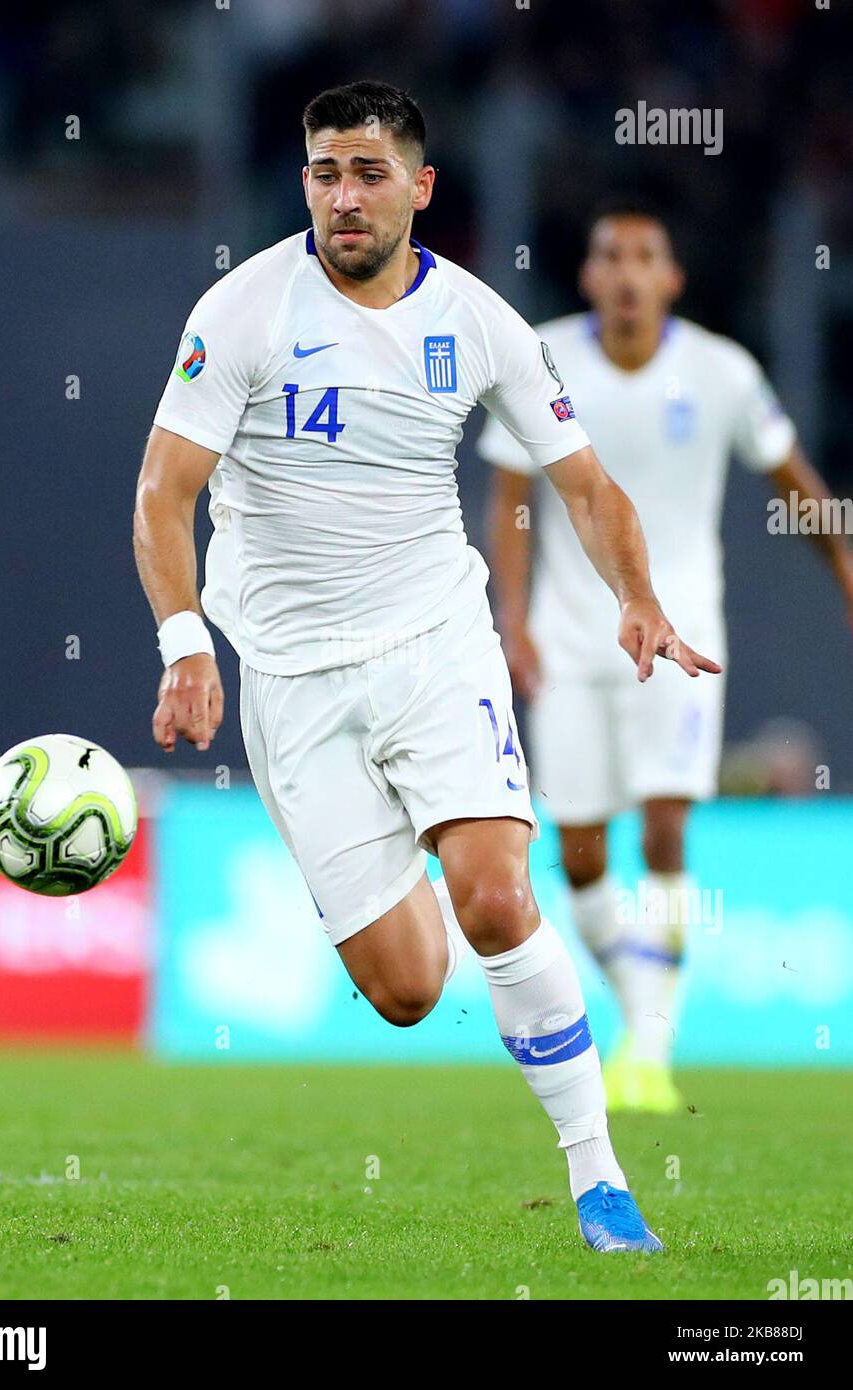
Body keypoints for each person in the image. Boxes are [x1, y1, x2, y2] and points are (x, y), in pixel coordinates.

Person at [134, 85, 718, 1252]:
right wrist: (187, 646)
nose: (341, 196)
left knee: (499, 899)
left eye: (364, 172)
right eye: (320, 173)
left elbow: (588, 486)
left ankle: (601, 1182)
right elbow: (164, 496)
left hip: (435, 645)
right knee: (405, 990)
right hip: (295, 678)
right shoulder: (242, 309)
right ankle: (399, 846)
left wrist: (638, 598)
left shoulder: (484, 323)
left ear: (419, 187)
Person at [479, 202, 853, 1112]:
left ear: (673, 280)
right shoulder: (543, 358)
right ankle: (641, 1009)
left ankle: (650, 1048)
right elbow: (512, 499)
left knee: (664, 829)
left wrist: (844, 562)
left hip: (682, 637)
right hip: (571, 643)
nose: (630, 272)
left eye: (647, 256)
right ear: (591, 276)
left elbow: (791, 477)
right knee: (576, 852)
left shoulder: (722, 372)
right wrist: (513, 619)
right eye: (612, 255)